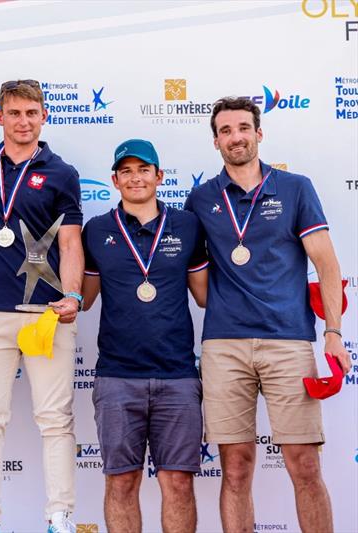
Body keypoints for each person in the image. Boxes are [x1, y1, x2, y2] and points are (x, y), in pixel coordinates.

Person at [185, 96, 350, 533]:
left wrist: (333, 332)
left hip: (288, 341)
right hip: (224, 345)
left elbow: (327, 264)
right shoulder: (201, 199)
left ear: (259, 133)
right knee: (235, 469)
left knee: (305, 466)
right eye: (225, 130)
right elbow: (196, 281)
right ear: (216, 141)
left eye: (243, 127)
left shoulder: (296, 188)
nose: (235, 137)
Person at [0, 79, 83, 533]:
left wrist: (71, 294)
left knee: (54, 420)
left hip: (45, 313)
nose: (23, 121)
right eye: (14, 113)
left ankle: (59, 516)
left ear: (44, 116)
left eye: (31, 113)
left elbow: (71, 242)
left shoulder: (61, 172)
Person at [81, 139, 209, 533]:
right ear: (115, 180)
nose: (136, 178)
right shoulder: (97, 229)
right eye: (127, 171)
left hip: (178, 377)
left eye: (144, 169)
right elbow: (83, 301)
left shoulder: (188, 226)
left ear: (159, 176)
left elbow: (204, 295)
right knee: (121, 482)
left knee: (179, 483)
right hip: (118, 377)